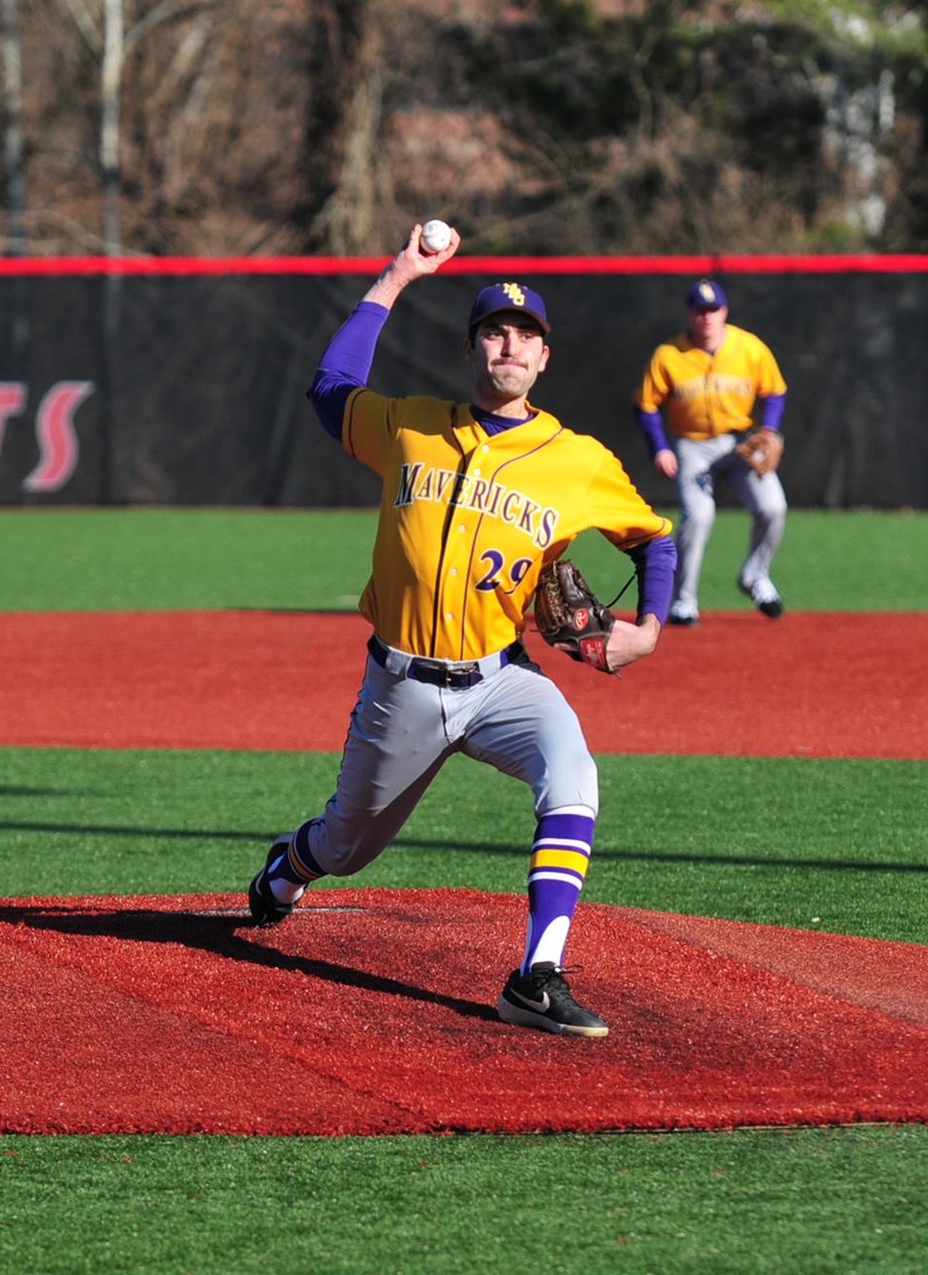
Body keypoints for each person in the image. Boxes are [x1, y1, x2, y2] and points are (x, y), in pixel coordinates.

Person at [246, 223, 677, 1039]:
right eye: (494, 331)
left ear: (544, 358)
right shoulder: (409, 425)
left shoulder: (577, 459)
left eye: (526, 336)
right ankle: (288, 867)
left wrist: (649, 628)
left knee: (573, 772)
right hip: (401, 685)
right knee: (345, 846)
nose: (509, 345)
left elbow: (656, 536)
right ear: (472, 349)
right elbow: (330, 382)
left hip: (501, 678)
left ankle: (536, 974)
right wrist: (400, 273)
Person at [634, 279, 789, 622]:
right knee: (699, 517)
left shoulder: (749, 348)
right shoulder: (669, 356)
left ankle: (755, 575)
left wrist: (768, 429)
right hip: (692, 445)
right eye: (700, 310)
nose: (707, 317)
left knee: (773, 507)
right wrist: (660, 448)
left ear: (724, 311)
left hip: (740, 444)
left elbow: (775, 392)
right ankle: (683, 600)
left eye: (713, 309)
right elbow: (645, 406)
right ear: (689, 314)